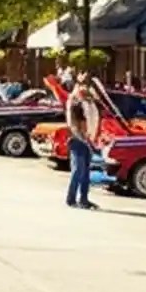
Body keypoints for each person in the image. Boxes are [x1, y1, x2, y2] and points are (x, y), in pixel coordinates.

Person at [64, 73, 100, 209]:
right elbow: (80, 122)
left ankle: (84, 199)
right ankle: (71, 198)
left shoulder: (88, 101)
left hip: (86, 139)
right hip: (78, 139)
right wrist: (85, 137)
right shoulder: (76, 102)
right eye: (83, 85)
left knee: (85, 171)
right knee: (78, 170)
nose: (86, 88)